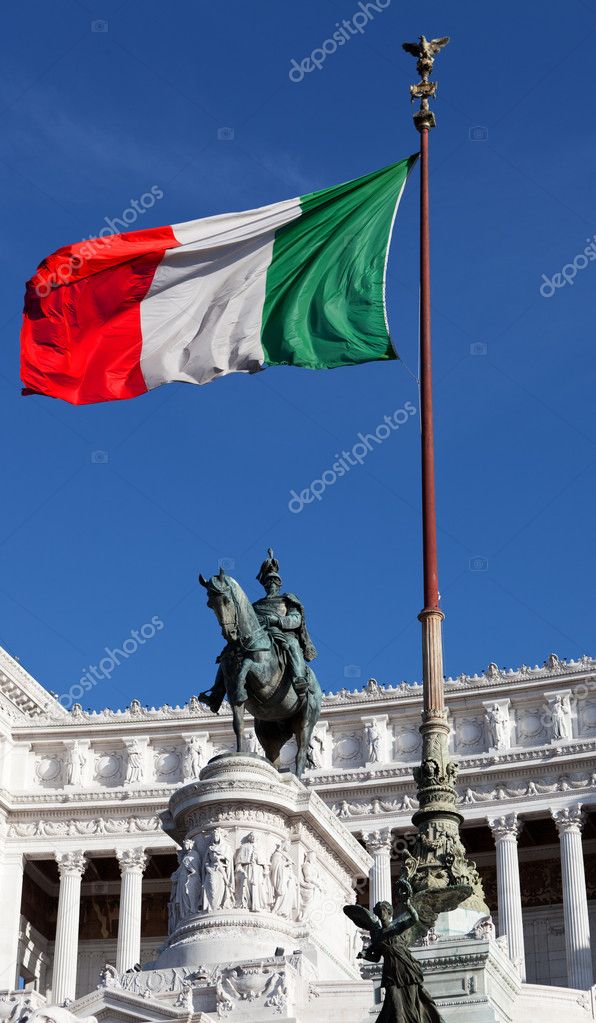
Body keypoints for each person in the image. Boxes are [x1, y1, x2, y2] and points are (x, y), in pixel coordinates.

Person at [360, 884, 445, 1023]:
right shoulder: (377, 935)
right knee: (396, 1009)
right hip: (390, 974)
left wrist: (408, 904)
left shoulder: (398, 927)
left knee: (412, 1005)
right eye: (379, 910)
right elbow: (375, 957)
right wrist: (364, 955)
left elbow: (414, 919)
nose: (382, 912)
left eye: (384, 909)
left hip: (407, 969)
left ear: (389, 912)